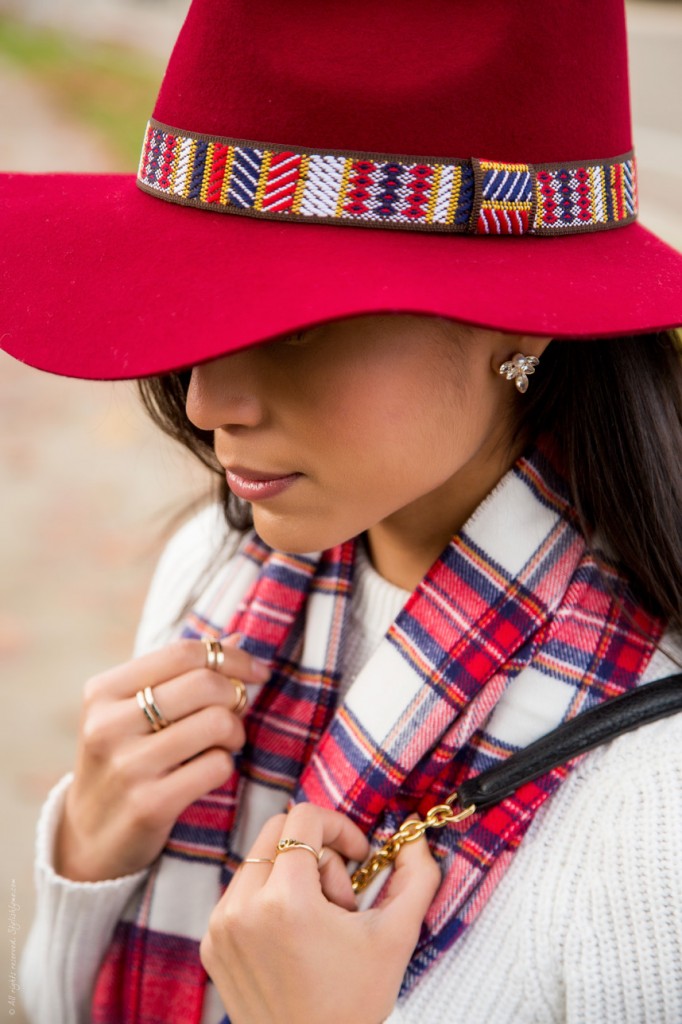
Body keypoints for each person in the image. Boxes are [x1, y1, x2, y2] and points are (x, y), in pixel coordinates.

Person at [3, 0, 681, 1021]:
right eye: (199, 299)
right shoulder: (218, 566)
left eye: (298, 325)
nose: (206, 403)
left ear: (527, 323)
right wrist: (91, 852)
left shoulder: (650, 808)